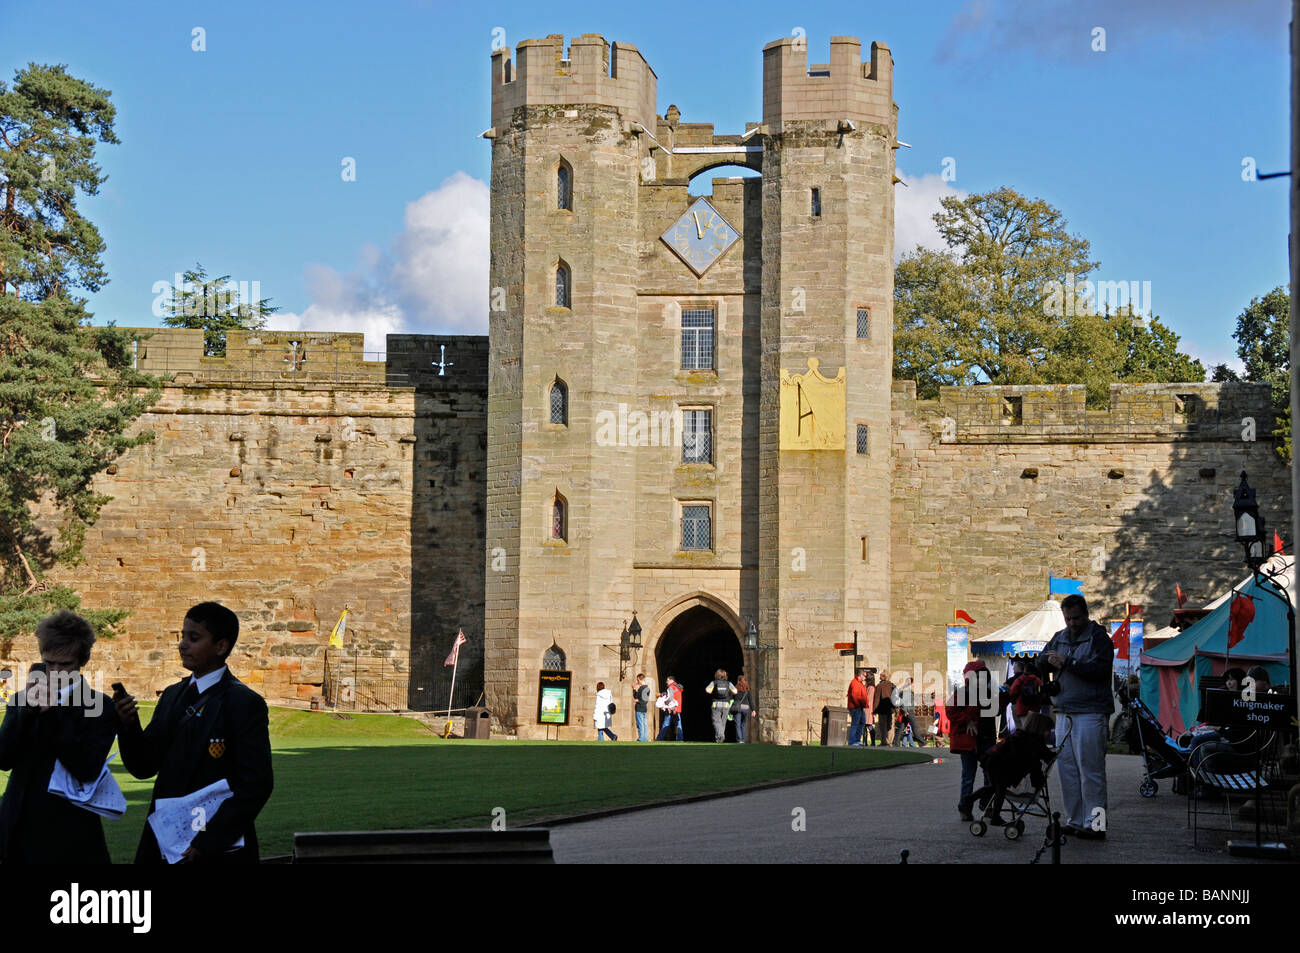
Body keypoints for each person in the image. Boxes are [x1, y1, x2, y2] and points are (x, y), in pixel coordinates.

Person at [115, 602, 273, 864]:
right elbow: (144, 766)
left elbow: (256, 784)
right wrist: (128, 726)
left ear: (221, 646)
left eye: (194, 638)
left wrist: (209, 841)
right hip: (165, 839)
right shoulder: (172, 695)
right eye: (183, 636)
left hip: (215, 848)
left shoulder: (243, 702)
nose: (182, 645)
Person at [0, 611, 117, 863]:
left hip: (69, 830)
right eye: (49, 663)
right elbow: (4, 757)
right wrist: (27, 712)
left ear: (82, 661)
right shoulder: (22, 698)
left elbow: (86, 767)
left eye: (65, 665)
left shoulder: (100, 705)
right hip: (19, 824)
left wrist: (52, 713)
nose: (56, 672)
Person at [1041, 593, 1114, 840]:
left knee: (1092, 771)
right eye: (1068, 618)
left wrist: (1067, 663)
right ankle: (1075, 820)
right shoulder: (1059, 637)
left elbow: (1101, 670)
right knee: (1068, 771)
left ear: (1086, 614)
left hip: (1091, 712)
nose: (1072, 623)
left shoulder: (1099, 638)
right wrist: (1047, 663)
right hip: (1064, 712)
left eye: (1076, 618)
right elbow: (1041, 658)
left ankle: (1096, 825)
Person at [960, 712, 1055, 825]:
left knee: (994, 788)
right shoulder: (1031, 741)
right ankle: (995, 817)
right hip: (997, 764)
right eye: (1048, 730)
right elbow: (1037, 761)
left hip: (997, 762)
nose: (1050, 734)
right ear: (1039, 729)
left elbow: (1041, 755)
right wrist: (1039, 780)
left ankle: (969, 799)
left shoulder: (1027, 738)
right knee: (1000, 789)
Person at [949, 659, 997, 821]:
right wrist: (968, 719)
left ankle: (985, 805)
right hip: (971, 740)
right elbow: (952, 712)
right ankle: (967, 807)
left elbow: (995, 712)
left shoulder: (988, 693)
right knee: (970, 776)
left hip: (985, 738)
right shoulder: (964, 693)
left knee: (987, 775)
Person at [704, 669, 736, 742]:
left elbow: (707, 690)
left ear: (716, 675)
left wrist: (713, 691)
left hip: (716, 704)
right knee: (723, 722)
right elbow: (735, 691)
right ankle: (719, 739)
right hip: (726, 705)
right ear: (725, 676)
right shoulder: (728, 683)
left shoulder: (714, 683)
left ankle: (721, 735)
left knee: (716, 721)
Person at [894, 674, 920, 746]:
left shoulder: (907, 691)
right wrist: (905, 711)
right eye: (913, 683)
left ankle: (896, 742)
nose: (914, 685)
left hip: (907, 711)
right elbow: (904, 703)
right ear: (911, 683)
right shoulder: (906, 691)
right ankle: (921, 742)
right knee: (913, 726)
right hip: (907, 712)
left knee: (903, 727)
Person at [847, 669, 870, 747]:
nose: (865, 677)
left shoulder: (859, 683)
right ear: (860, 675)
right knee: (855, 724)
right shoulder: (855, 683)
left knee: (862, 722)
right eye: (864, 675)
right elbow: (855, 696)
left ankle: (857, 740)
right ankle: (852, 741)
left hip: (859, 707)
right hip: (856, 707)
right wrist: (858, 705)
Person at [655, 676, 683, 741]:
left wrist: (664, 703)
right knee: (678, 725)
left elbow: (670, 698)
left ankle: (659, 738)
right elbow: (674, 696)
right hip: (677, 708)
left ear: (671, 680)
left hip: (671, 708)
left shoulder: (671, 687)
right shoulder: (678, 687)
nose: (666, 682)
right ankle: (679, 738)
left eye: (667, 680)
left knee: (666, 723)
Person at [874, 670, 896, 746]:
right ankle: (890, 742)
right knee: (890, 726)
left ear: (883, 676)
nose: (879, 676)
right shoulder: (892, 685)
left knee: (883, 726)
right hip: (891, 709)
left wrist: (874, 710)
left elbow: (877, 699)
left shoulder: (879, 686)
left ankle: (884, 742)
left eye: (880, 675)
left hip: (882, 709)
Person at [733, 675, 754, 743]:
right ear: (745, 682)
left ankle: (739, 740)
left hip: (738, 708)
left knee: (737, 724)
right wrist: (753, 710)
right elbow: (750, 701)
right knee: (744, 724)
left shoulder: (735, 690)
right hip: (746, 708)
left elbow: (731, 697)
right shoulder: (747, 690)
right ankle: (743, 739)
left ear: (738, 681)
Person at [632, 674, 651, 742]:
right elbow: (645, 700)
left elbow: (635, 696)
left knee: (640, 724)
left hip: (639, 708)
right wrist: (639, 700)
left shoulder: (641, 688)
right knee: (645, 723)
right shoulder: (647, 688)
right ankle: (645, 737)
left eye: (638, 680)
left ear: (640, 680)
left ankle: (641, 738)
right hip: (644, 708)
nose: (637, 681)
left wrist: (634, 689)